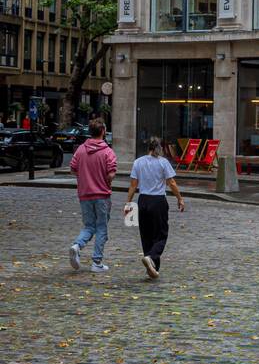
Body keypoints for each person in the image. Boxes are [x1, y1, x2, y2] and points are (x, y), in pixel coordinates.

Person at [124, 137, 185, 280]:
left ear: (148, 148)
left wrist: (128, 203)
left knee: (146, 235)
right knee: (161, 234)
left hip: (143, 200)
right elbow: (171, 182)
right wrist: (179, 198)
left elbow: (133, 185)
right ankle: (151, 258)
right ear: (159, 148)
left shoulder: (138, 162)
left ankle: (153, 267)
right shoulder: (163, 162)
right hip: (158, 201)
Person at [68, 118, 117, 273]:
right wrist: (106, 181)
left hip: (84, 194)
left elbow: (73, 168)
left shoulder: (81, 150)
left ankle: (77, 245)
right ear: (103, 131)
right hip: (102, 194)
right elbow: (111, 174)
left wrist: (84, 177)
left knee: (89, 225)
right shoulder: (108, 152)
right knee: (101, 227)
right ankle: (97, 262)